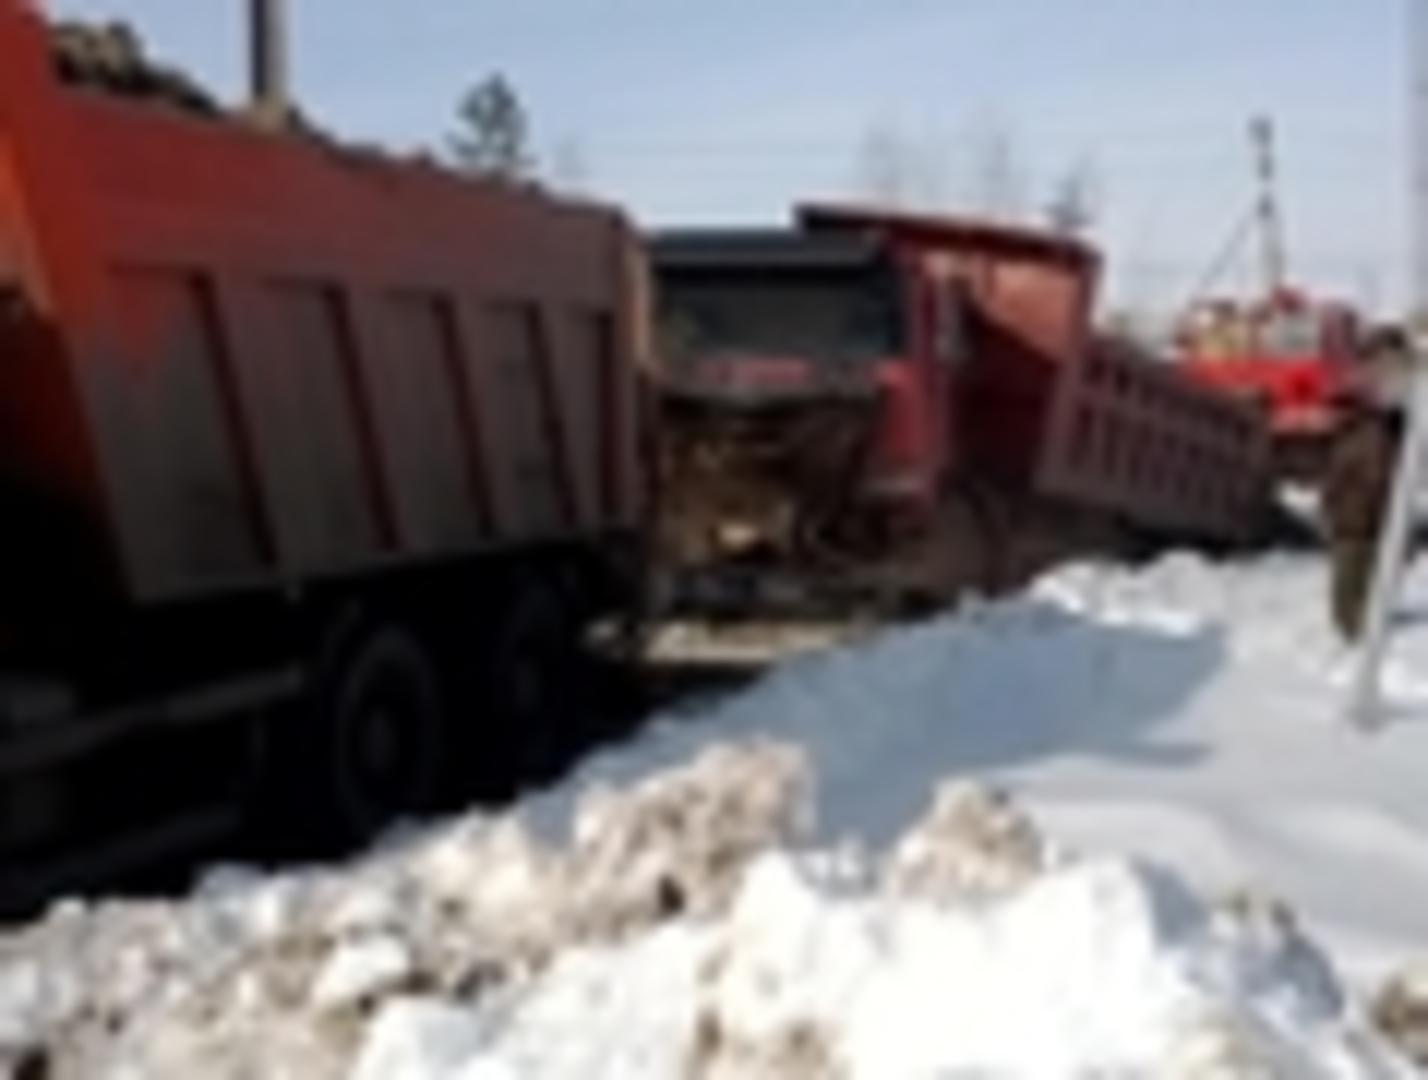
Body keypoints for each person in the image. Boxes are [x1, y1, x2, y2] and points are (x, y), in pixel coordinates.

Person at [1322, 339, 1408, 642]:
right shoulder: (1358, 434)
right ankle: (1356, 630)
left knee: (1356, 580)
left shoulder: (1370, 433)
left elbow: (1373, 477)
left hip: (1363, 520)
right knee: (1353, 581)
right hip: (1358, 519)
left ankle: (1358, 632)